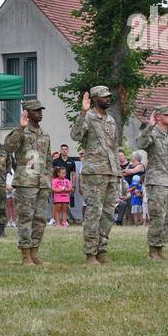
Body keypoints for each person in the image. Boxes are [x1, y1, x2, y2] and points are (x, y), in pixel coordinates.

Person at [70, 85, 120, 264]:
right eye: (104, 97)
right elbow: (75, 135)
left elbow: (114, 147)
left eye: (108, 96)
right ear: (95, 99)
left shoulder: (111, 120)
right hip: (94, 172)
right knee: (94, 212)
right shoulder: (89, 117)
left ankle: (102, 249)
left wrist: (118, 173)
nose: (107, 99)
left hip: (111, 172)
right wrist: (82, 113)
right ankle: (90, 252)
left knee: (108, 213)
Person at [3, 100, 51, 265]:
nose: (40, 113)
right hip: (26, 182)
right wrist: (20, 128)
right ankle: (25, 255)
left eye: (41, 110)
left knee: (40, 218)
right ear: (27, 113)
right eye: (36, 110)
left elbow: (48, 159)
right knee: (25, 218)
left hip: (42, 183)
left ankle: (35, 251)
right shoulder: (21, 131)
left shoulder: (44, 134)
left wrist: (49, 178)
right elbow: (8, 147)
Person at [135, 105, 168, 259]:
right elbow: (140, 144)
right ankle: (153, 250)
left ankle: (160, 247)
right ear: (158, 116)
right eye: (167, 114)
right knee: (157, 216)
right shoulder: (152, 133)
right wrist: (149, 126)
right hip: (156, 181)